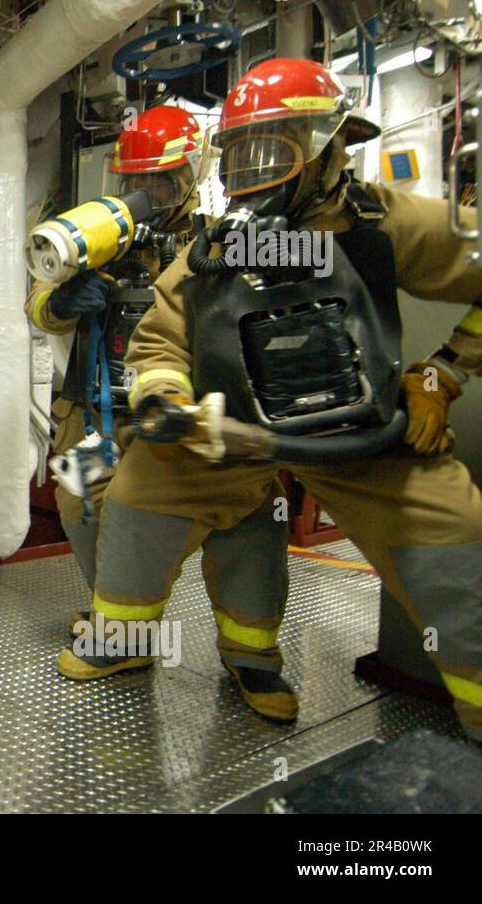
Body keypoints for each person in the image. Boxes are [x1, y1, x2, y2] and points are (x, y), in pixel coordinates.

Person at [84, 57, 482, 742]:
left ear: (331, 149)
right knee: (137, 496)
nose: (253, 175)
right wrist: (167, 398)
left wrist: (442, 375)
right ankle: (127, 644)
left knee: (452, 535)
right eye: (239, 157)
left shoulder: (386, 226)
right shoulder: (215, 247)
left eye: (271, 152)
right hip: (226, 430)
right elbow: (161, 339)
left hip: (360, 434)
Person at [27, 106, 296, 722]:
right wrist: (62, 300)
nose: (148, 194)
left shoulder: (218, 240)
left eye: (163, 182)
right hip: (97, 414)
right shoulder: (99, 235)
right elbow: (37, 305)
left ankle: (253, 655)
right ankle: (123, 630)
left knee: (246, 525)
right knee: (80, 503)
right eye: (136, 181)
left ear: (192, 174)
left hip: (188, 416)